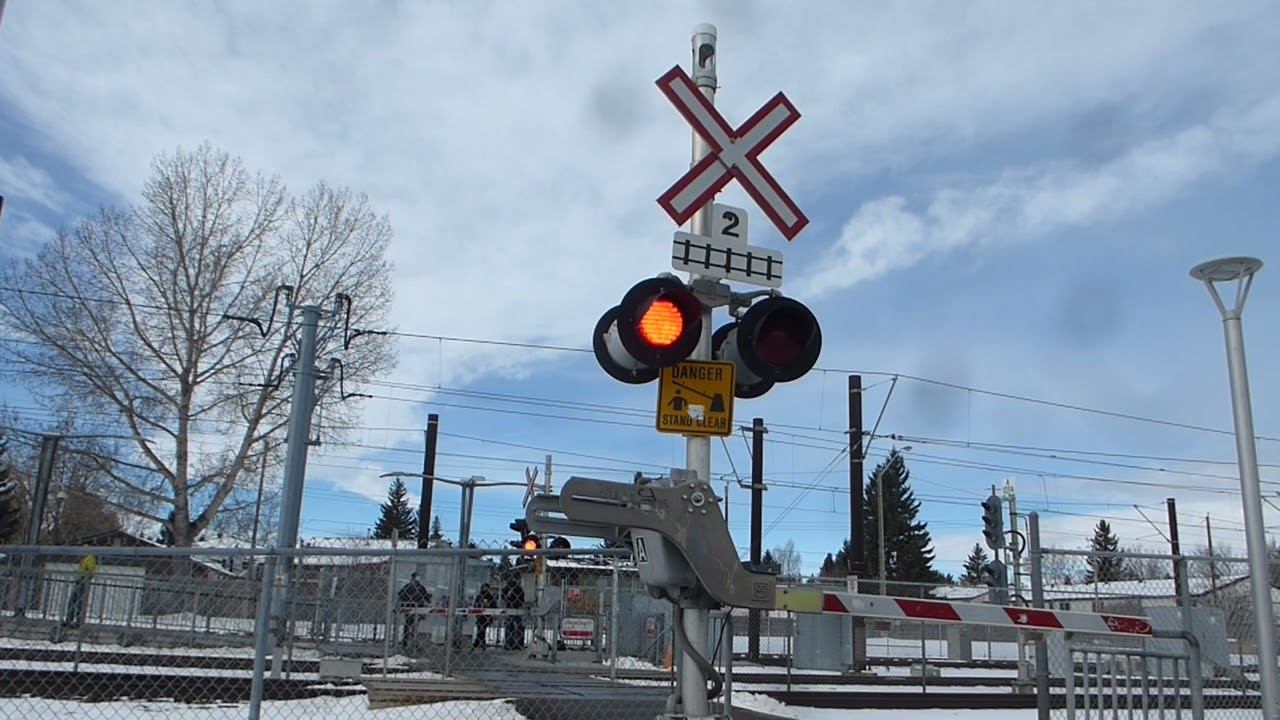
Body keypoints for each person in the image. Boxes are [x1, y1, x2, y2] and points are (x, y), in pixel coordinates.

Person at [63, 554, 97, 629]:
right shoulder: (84, 558)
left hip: (82, 583)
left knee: (79, 603)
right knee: (73, 601)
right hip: (78, 582)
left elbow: (91, 571)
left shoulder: (90, 558)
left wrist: (85, 578)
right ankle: (69, 620)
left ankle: (78, 622)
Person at [397, 573, 431, 646]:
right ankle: (410, 641)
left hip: (413, 608)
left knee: (410, 625)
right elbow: (426, 598)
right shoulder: (416, 587)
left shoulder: (412, 587)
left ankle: (408, 641)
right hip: (413, 608)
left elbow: (400, 595)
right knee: (412, 625)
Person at [502, 576, 526, 650]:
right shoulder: (515, 588)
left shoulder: (516, 589)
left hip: (514, 607)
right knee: (514, 626)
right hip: (515, 608)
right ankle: (514, 644)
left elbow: (521, 597)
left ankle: (512, 644)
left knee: (512, 626)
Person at [472, 582, 497, 649]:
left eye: (486, 588)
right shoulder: (479, 596)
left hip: (487, 617)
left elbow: (494, 606)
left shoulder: (490, 597)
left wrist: (489, 606)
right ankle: (482, 644)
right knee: (481, 629)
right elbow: (475, 605)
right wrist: (479, 605)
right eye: (484, 588)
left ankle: (477, 644)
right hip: (480, 616)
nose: (485, 589)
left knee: (482, 629)